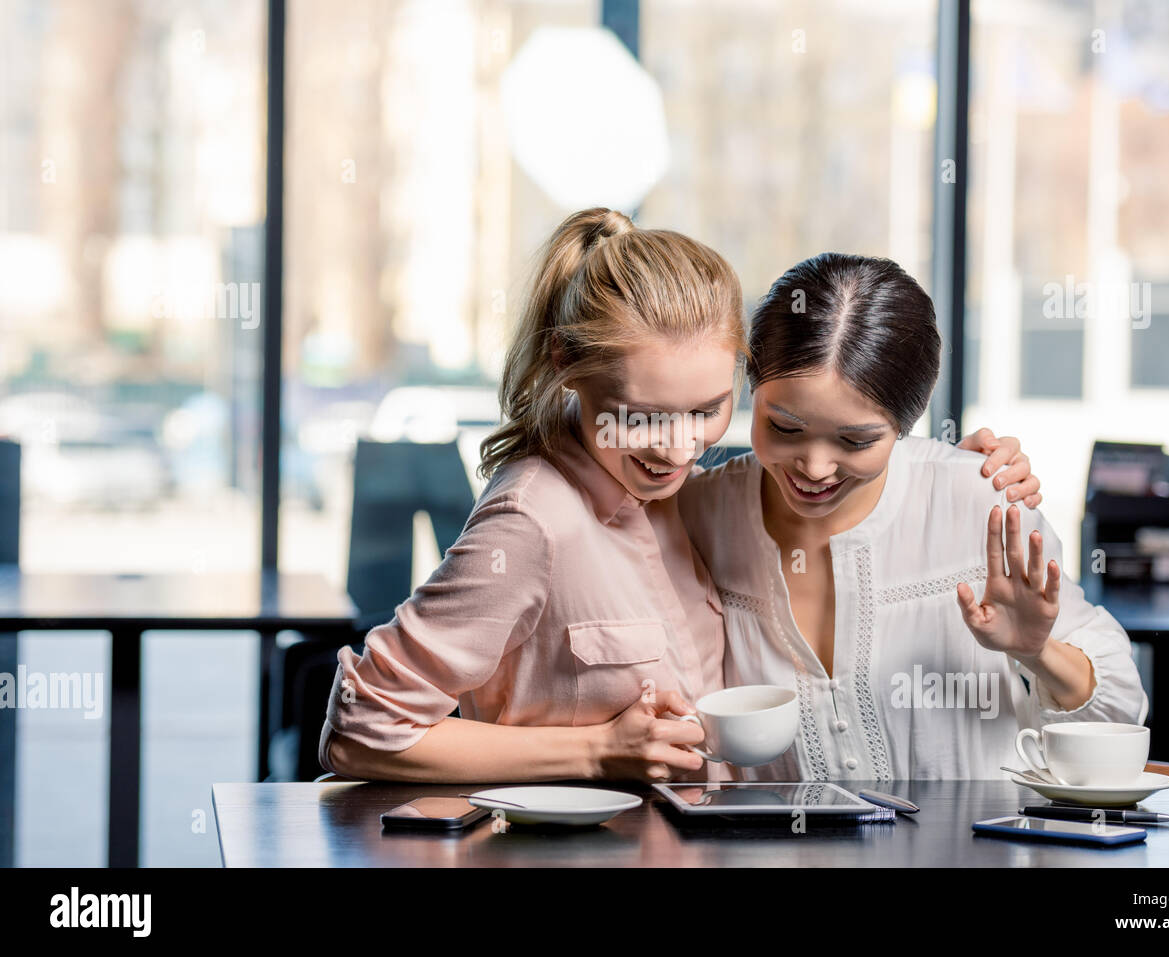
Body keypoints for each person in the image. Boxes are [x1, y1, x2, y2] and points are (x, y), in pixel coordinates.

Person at [320, 210, 1041, 783]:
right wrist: (595, 751)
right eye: (640, 414)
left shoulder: (678, 495)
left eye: (705, 409)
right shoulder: (531, 520)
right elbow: (360, 729)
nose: (675, 446)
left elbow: (827, 441)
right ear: (567, 363)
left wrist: (950, 471)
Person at [677, 253, 1148, 781]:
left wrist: (1036, 652)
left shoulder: (980, 505)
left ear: (907, 422)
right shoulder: (695, 513)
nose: (814, 467)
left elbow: (1119, 713)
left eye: (856, 440)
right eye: (784, 428)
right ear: (751, 390)